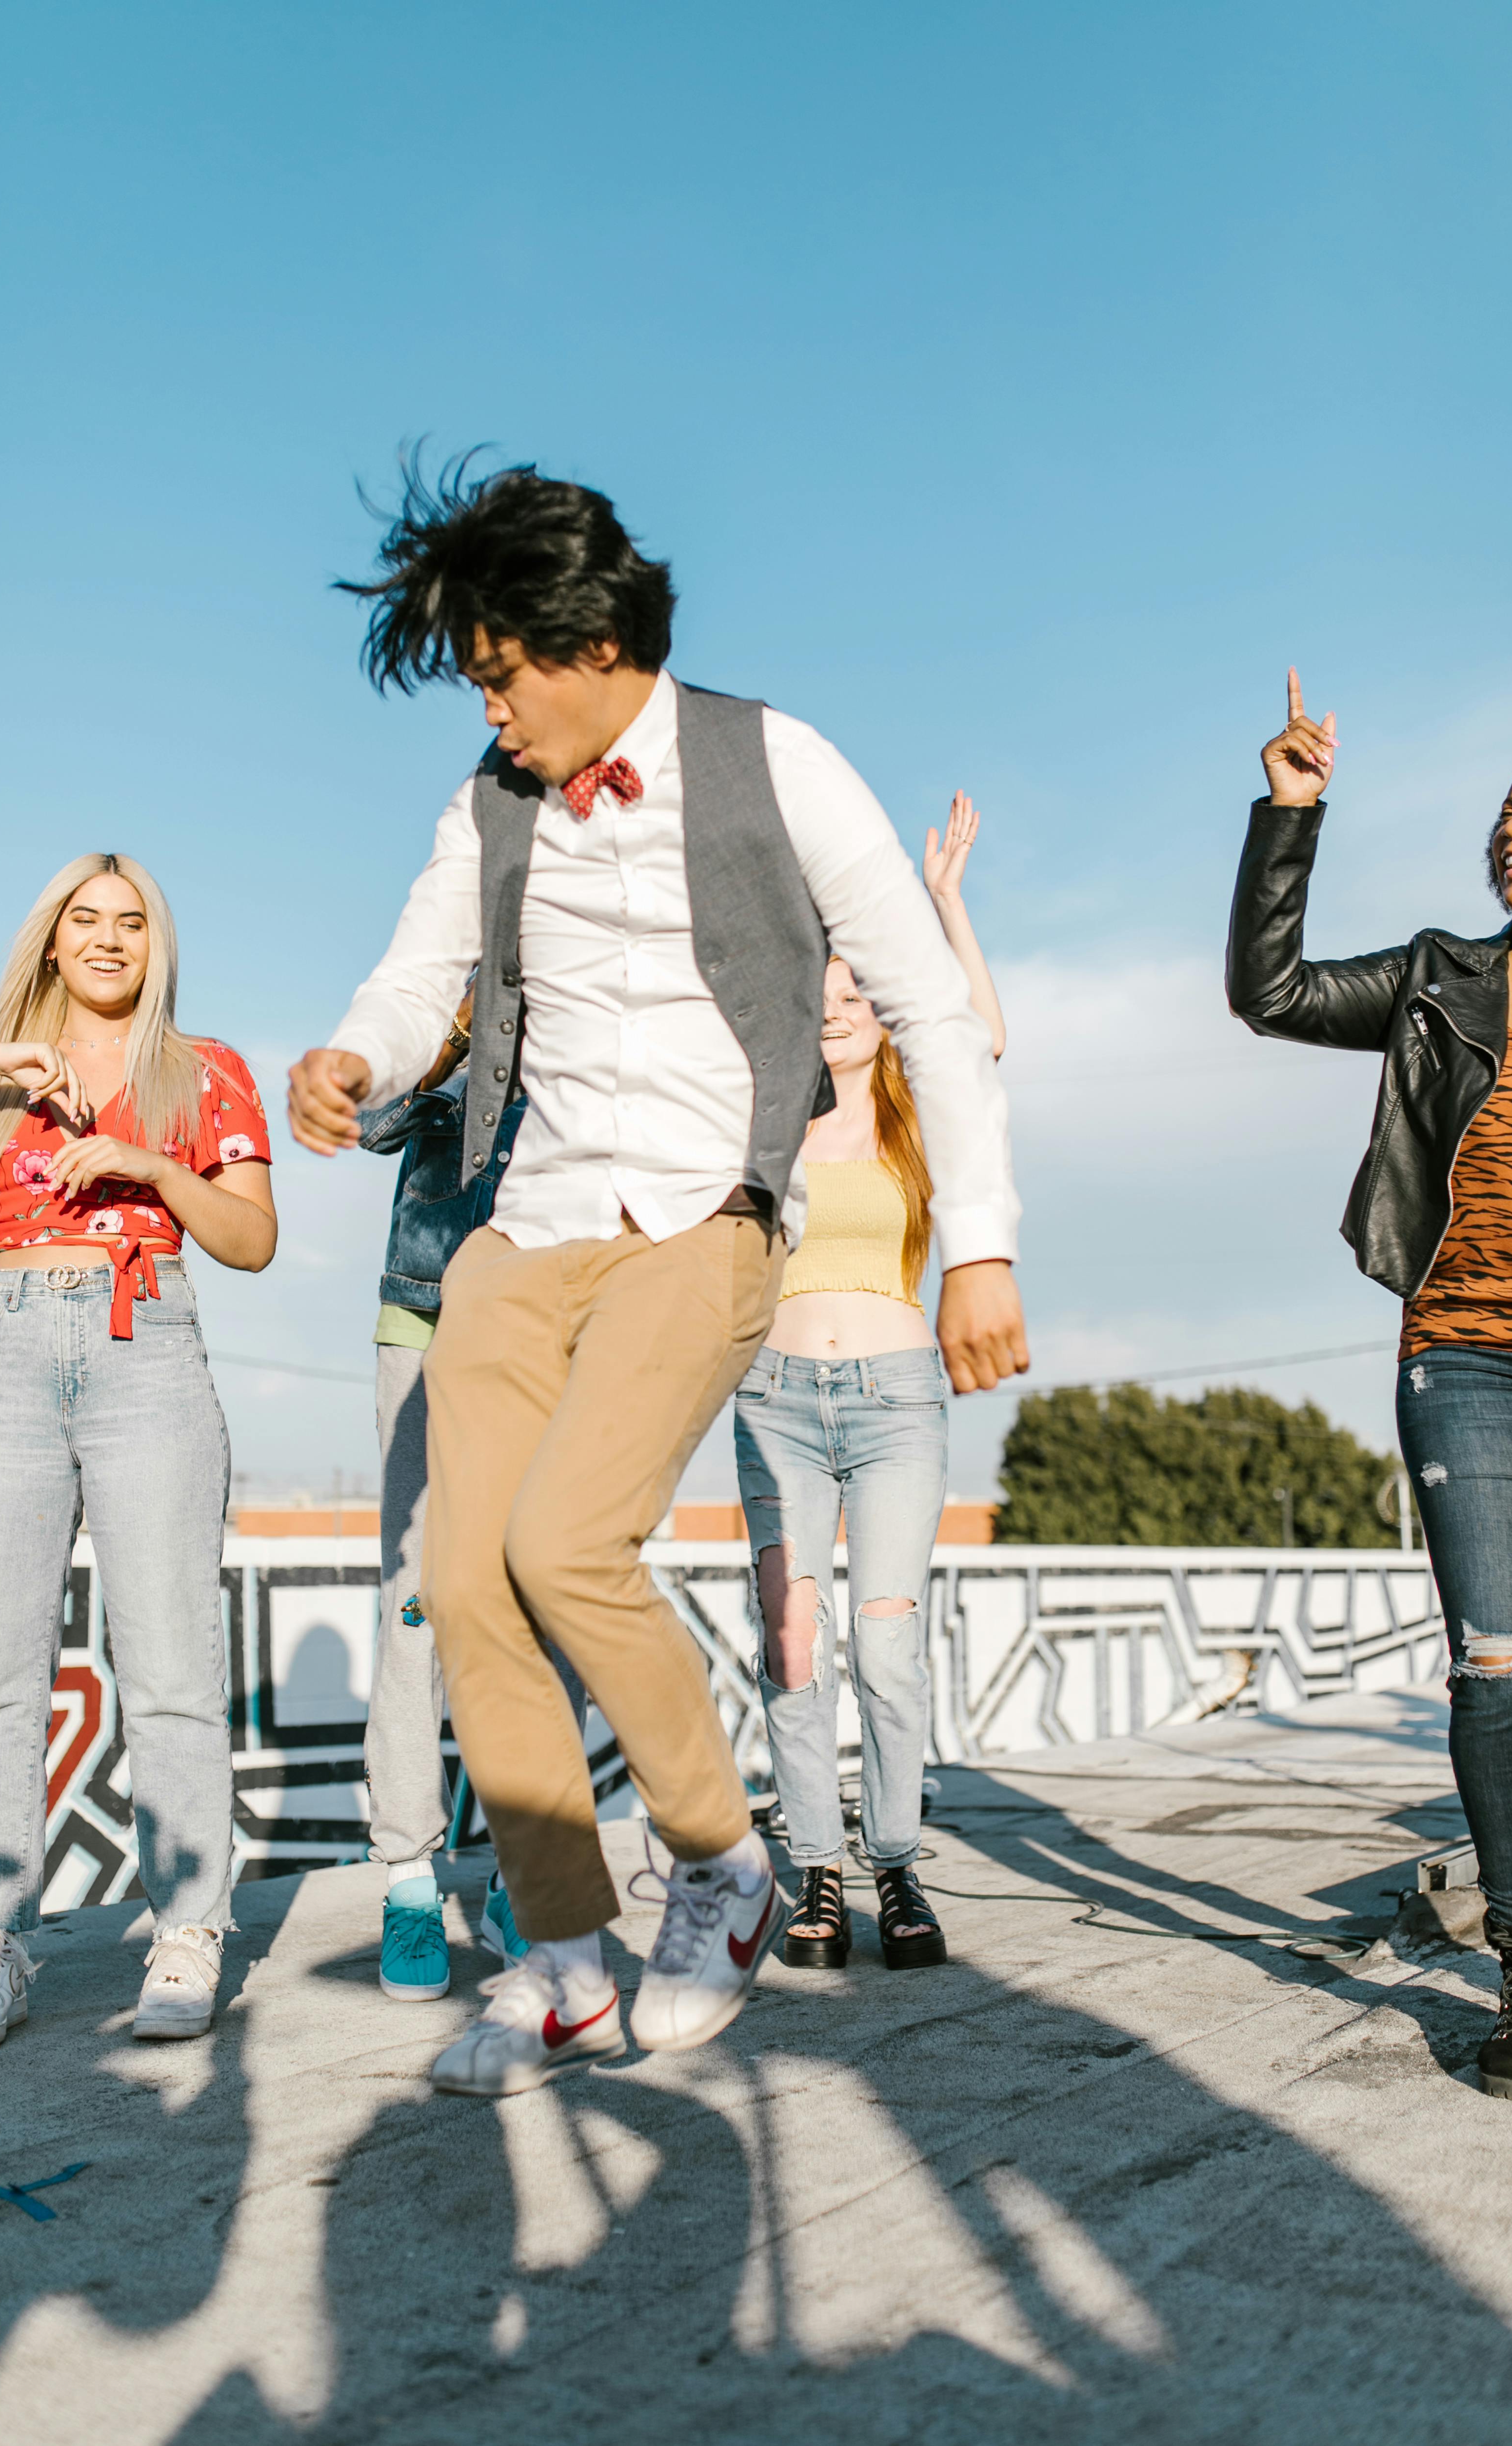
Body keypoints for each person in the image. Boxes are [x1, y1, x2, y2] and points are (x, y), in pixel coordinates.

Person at [289, 457, 1026, 2099]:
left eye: (496, 674)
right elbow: (425, 965)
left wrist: (976, 1243)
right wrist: (352, 1052)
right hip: (522, 1228)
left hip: (703, 1216)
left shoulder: (776, 760)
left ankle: (719, 1857)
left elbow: (925, 1007)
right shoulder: (489, 800)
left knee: (566, 1544)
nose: (487, 713)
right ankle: (558, 1957)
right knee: (463, 1582)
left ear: (587, 637)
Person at [0, 854, 276, 2054]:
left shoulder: (203, 1071)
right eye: (85, 921)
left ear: (156, 946)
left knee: (166, 1667)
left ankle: (188, 1932)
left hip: (147, 1345)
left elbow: (254, 1238)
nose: (109, 940)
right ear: (52, 941)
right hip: (5, 1351)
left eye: (132, 924)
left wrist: (156, 1167)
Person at [1226, 671, 1512, 2100]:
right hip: (1464, 1361)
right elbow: (1269, 994)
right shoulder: (1440, 978)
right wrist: (1291, 818)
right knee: (1497, 1661)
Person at [737, 792, 1005, 1972]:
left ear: (884, 1015)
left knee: (885, 1643)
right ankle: (815, 1868)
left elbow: (978, 1035)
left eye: (859, 996)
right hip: (775, 1402)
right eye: (825, 996)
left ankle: (895, 1864)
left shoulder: (910, 1124)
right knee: (793, 1642)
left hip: (895, 1398)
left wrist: (944, 901)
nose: (839, 1011)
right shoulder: (765, 1125)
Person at [358, 981, 581, 1999]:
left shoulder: (599, 997)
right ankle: (409, 1882)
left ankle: (521, 1880)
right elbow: (375, 1119)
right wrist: (455, 1030)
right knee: (415, 1603)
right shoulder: (437, 990)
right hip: (426, 1316)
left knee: (546, 1605)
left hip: (555, 1328)